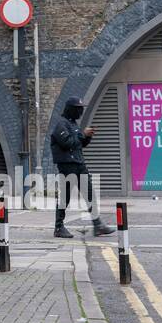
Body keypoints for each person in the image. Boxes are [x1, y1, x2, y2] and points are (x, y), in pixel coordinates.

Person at [50, 96, 115, 238]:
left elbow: (79, 144)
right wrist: (81, 134)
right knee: (65, 197)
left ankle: (98, 225)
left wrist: (87, 137)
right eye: (78, 109)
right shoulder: (61, 124)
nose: (80, 112)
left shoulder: (73, 124)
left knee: (90, 193)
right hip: (67, 166)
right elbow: (66, 143)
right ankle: (58, 227)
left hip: (79, 164)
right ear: (71, 109)